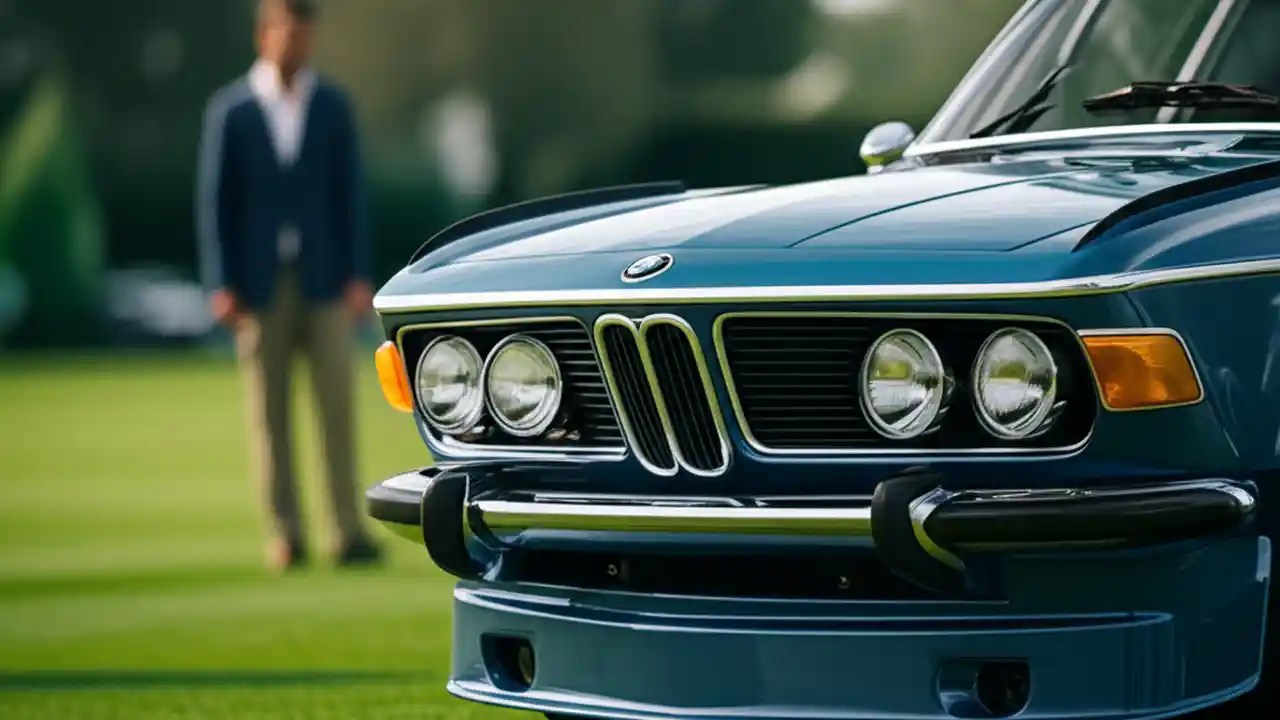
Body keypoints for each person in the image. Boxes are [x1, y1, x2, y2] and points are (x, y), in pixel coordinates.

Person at [196, 0, 380, 571]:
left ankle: (347, 533)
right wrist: (221, 280)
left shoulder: (332, 106)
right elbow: (215, 201)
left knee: (337, 410)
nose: (296, 47)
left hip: (325, 279)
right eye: (287, 36)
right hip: (257, 285)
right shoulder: (232, 111)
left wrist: (359, 274)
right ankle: (286, 534)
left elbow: (351, 195)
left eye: (305, 37)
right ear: (264, 34)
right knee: (269, 418)